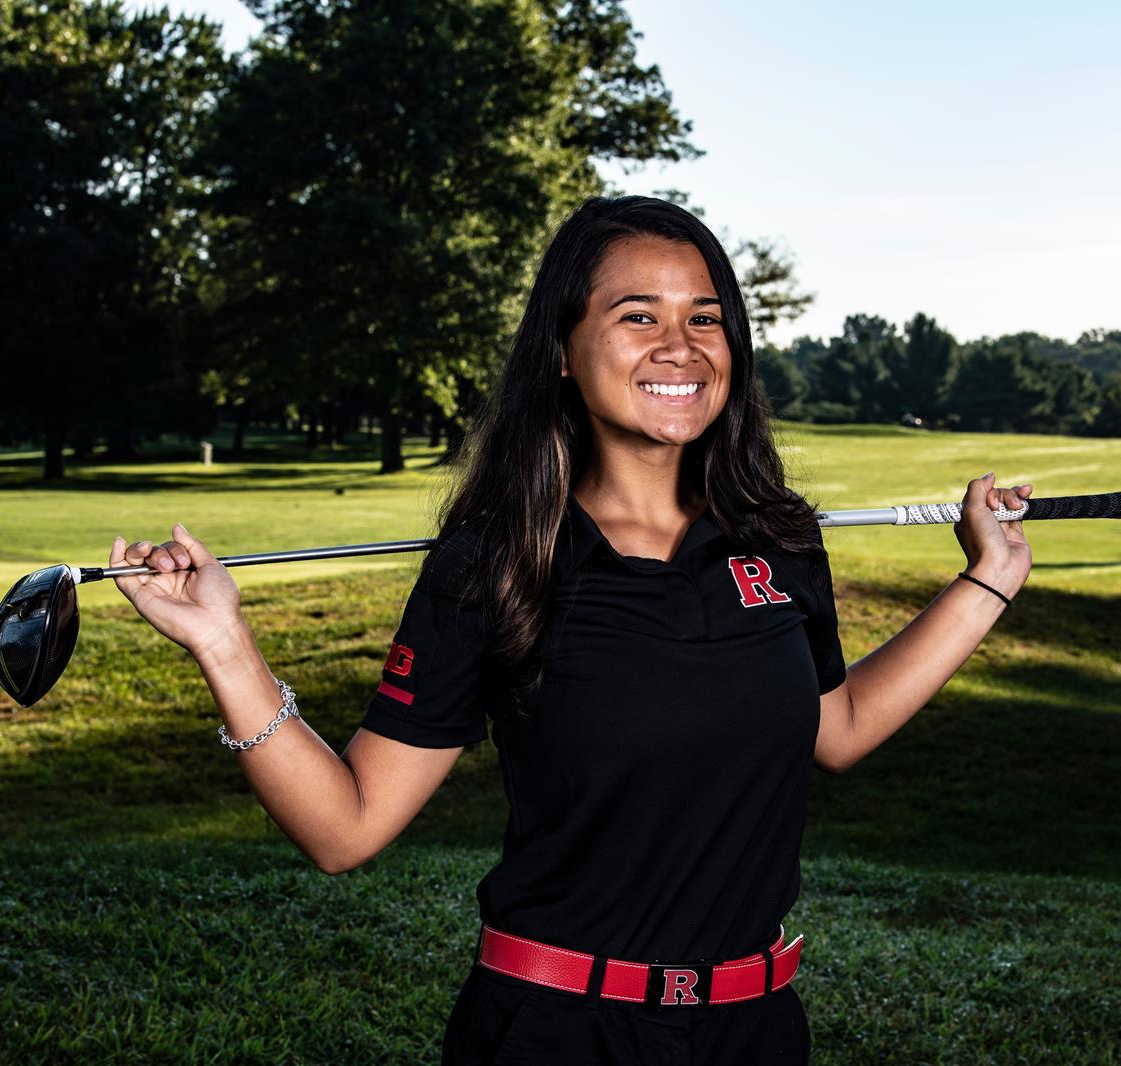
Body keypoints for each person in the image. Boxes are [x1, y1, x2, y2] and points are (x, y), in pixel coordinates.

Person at [110, 195, 1033, 1064]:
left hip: (754, 1033)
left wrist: (987, 579)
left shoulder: (779, 540)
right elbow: (344, 829)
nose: (681, 348)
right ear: (561, 348)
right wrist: (224, 646)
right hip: (556, 1033)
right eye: (640, 316)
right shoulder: (492, 565)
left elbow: (839, 729)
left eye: (705, 319)